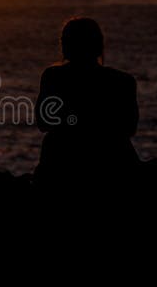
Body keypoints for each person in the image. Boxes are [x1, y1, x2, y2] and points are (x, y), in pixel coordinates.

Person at [34, 18, 139, 187]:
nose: (62, 44)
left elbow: (43, 123)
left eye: (65, 39)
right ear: (98, 46)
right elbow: (130, 128)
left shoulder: (53, 77)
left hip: (62, 164)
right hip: (115, 164)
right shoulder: (123, 81)